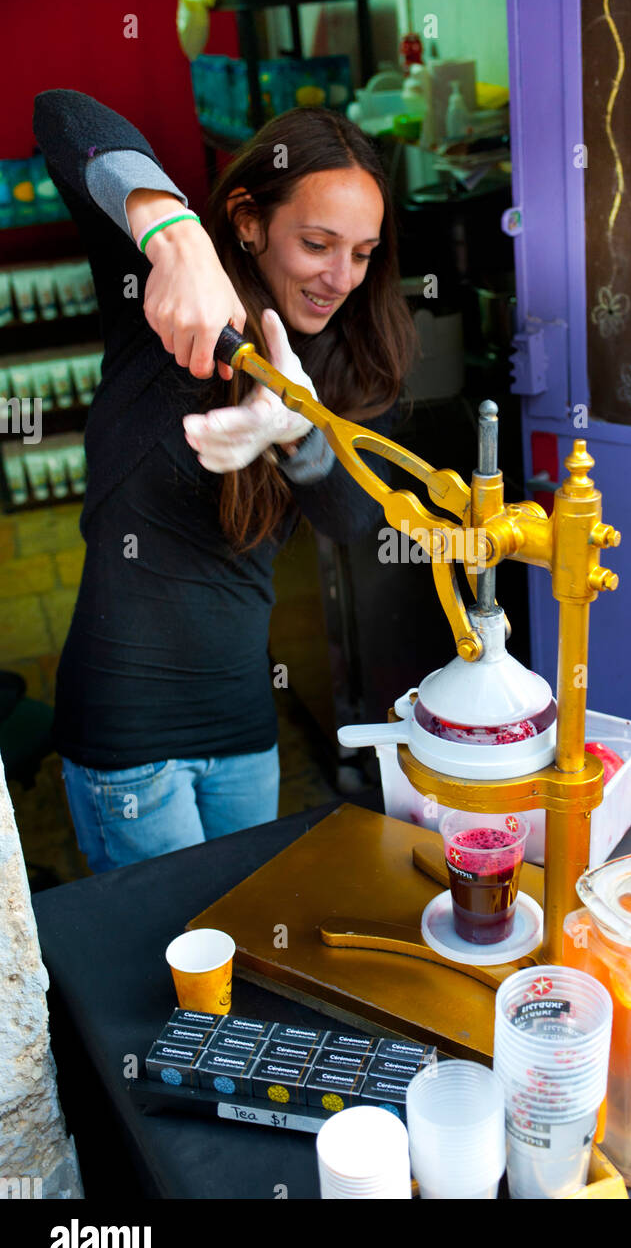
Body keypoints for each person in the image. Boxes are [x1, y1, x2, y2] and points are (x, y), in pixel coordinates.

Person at [33, 89, 416, 872]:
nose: (341, 276)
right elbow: (61, 114)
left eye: (363, 252)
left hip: (243, 728)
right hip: (129, 736)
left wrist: (298, 429)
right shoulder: (163, 309)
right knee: (166, 969)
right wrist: (173, 237)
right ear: (246, 220)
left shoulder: (340, 354)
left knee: (234, 943)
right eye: (317, 243)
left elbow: (351, 518)